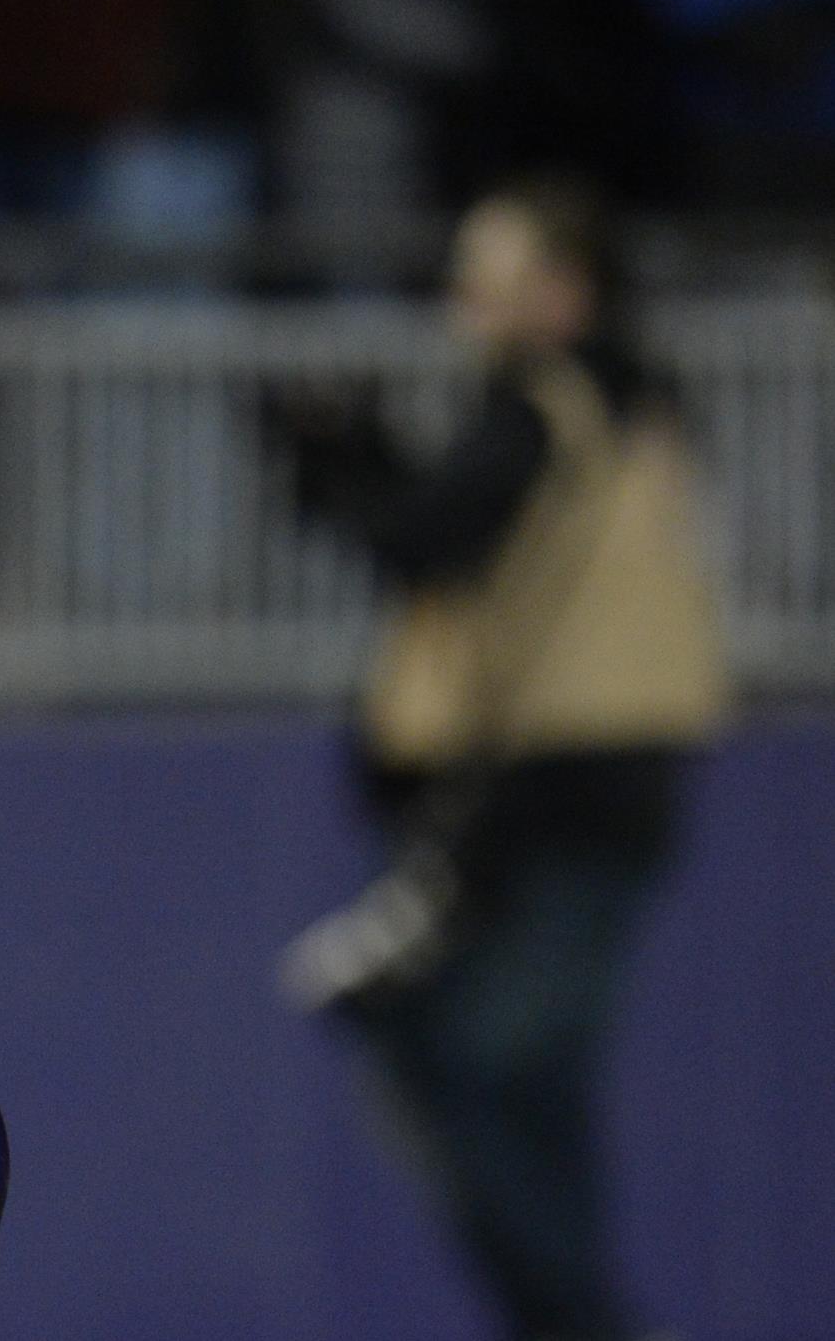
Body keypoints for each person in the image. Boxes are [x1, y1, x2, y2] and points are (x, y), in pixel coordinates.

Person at [272, 176, 727, 1341]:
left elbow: (431, 534)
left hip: (558, 793)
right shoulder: (593, 405)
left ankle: (577, 1324)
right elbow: (448, 536)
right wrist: (359, 457)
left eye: (495, 273)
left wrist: (333, 456)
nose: (465, 296)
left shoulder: (545, 405)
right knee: (515, 1078)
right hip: (556, 793)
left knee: (472, 1061)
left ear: (563, 293)